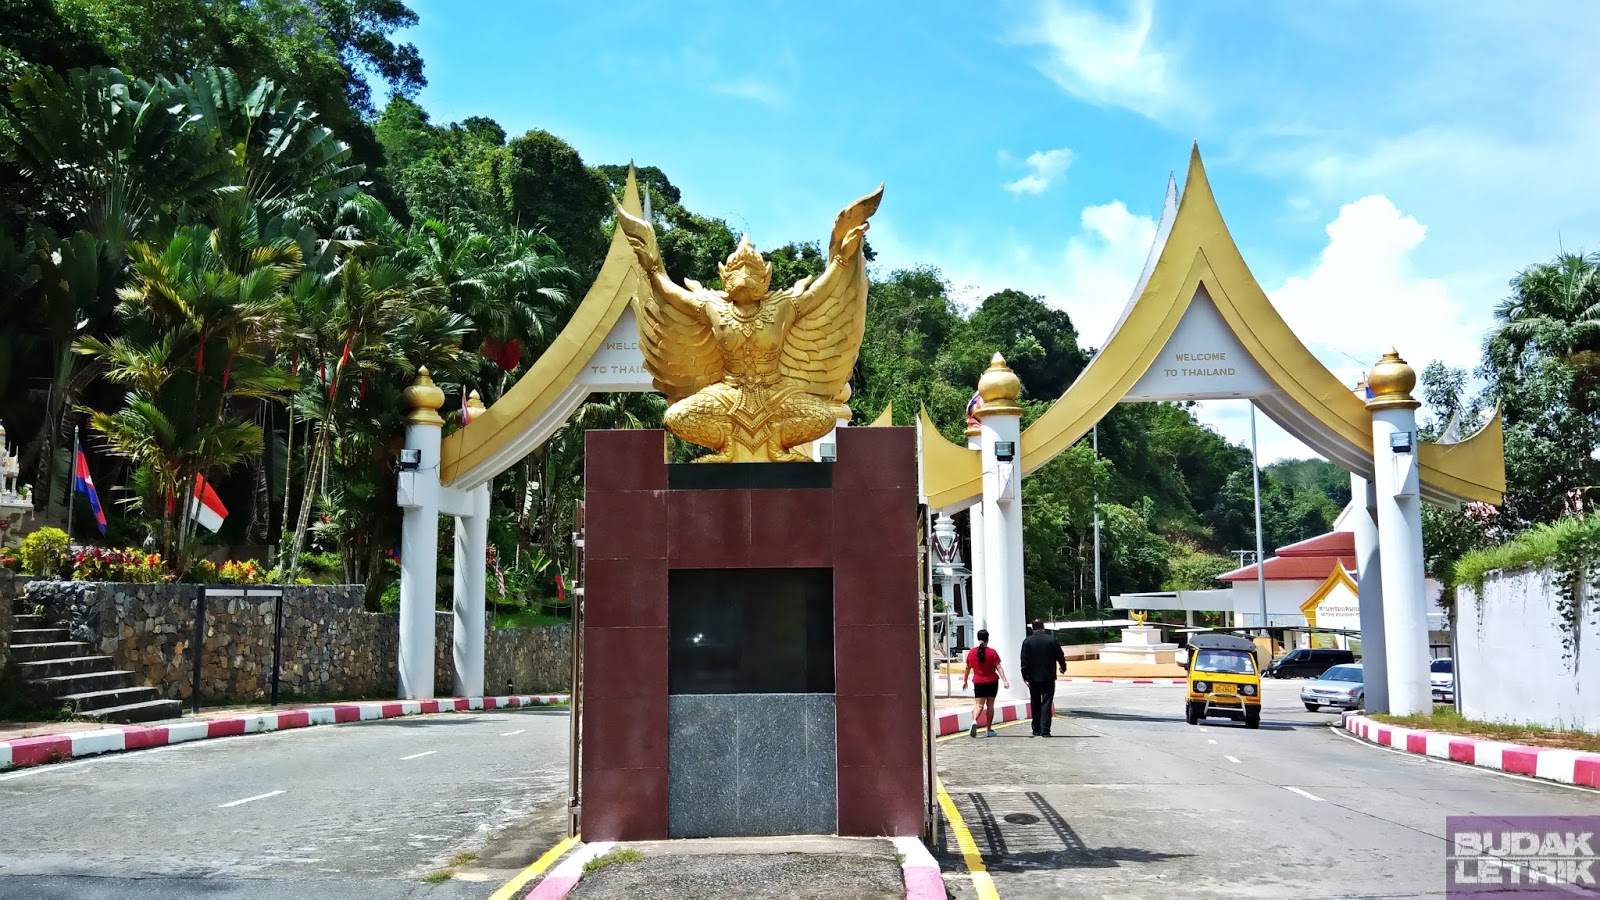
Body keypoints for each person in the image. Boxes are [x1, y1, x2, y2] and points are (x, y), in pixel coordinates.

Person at [1019, 618, 1067, 737]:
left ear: (1032, 628)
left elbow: (1023, 661)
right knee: (1046, 703)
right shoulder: (1051, 640)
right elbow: (1060, 656)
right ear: (1043, 627)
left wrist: (1025, 676)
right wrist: (1063, 667)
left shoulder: (1027, 641)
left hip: (1033, 678)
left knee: (1035, 703)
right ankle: (1045, 730)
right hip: (1048, 677)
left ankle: (1036, 729)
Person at [962, 628, 1010, 738]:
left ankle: (974, 721)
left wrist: (965, 681)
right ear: (988, 638)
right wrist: (1005, 680)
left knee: (979, 705)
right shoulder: (992, 652)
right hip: (992, 682)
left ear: (978, 638)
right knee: (990, 705)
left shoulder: (972, 653)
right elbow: (999, 667)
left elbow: (967, 668)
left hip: (978, 682)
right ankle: (988, 729)